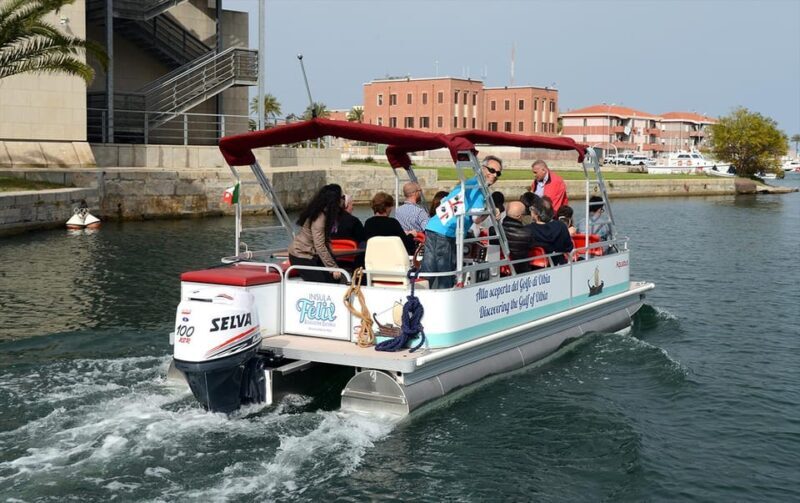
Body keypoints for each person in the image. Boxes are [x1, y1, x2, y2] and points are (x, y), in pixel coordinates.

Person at [420, 155, 503, 288]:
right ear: (482, 168)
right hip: (447, 232)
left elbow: (444, 202)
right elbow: (476, 219)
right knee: (446, 272)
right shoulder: (479, 190)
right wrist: (491, 212)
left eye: (498, 173)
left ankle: (418, 298)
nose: (494, 175)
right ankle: (445, 304)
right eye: (491, 170)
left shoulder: (466, 183)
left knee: (428, 270)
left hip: (433, 226)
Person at [288, 184, 345, 283]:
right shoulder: (320, 218)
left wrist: (333, 263)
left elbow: (324, 243)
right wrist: (333, 267)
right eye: (342, 197)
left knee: (336, 277)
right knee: (322, 281)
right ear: (334, 200)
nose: (343, 200)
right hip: (301, 255)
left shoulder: (325, 214)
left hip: (311, 254)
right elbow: (319, 245)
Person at [527, 195, 573, 266]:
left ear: (535, 213)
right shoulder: (561, 226)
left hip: (536, 266)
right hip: (558, 264)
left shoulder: (528, 229)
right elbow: (569, 247)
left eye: (531, 209)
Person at [493, 201, 533, 274]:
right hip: (520, 272)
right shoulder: (527, 233)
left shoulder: (494, 231)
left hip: (499, 271)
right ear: (519, 216)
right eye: (524, 214)